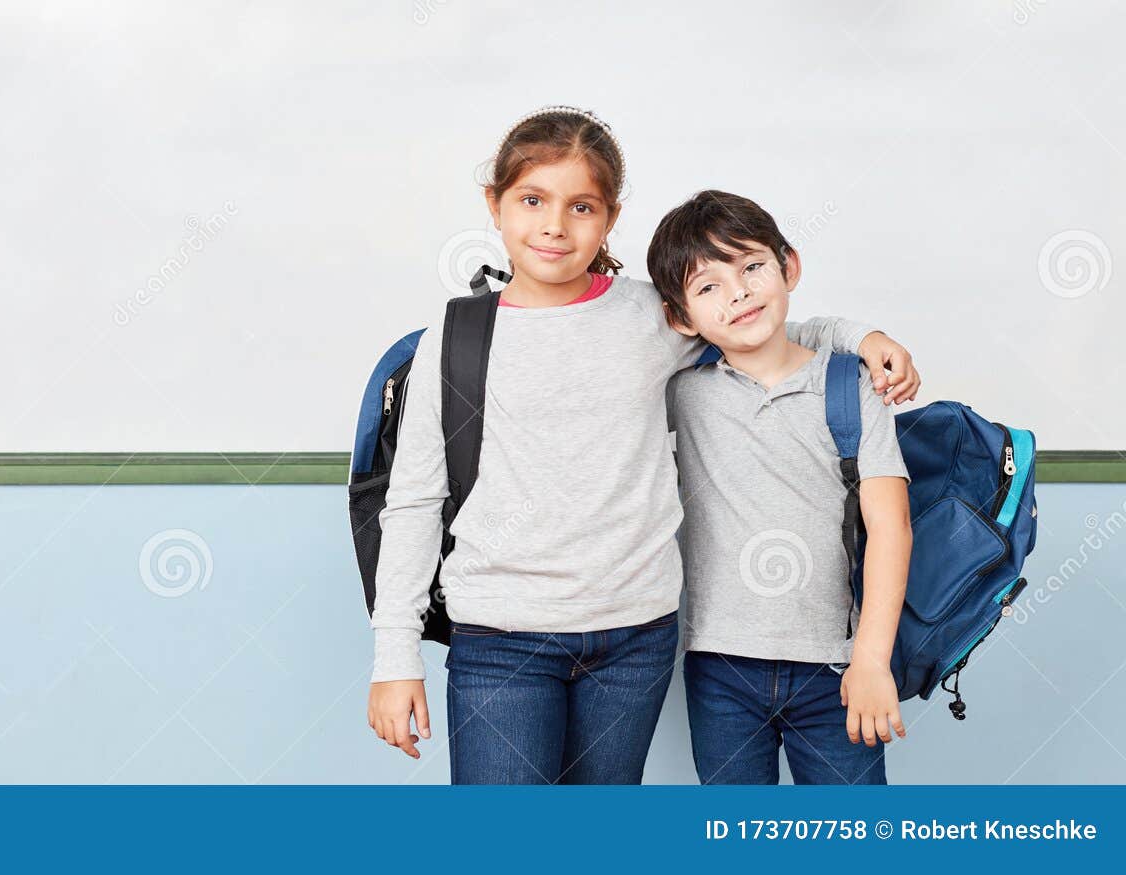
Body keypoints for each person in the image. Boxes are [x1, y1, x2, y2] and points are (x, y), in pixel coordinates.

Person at [366, 107, 920, 784]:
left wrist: (859, 336)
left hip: (634, 641)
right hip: (500, 639)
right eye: (532, 200)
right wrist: (394, 657)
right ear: (495, 203)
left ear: (610, 217)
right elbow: (415, 501)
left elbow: (756, 324)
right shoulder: (452, 341)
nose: (554, 225)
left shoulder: (648, 316)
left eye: (582, 206)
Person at [650, 189, 913, 784]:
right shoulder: (682, 391)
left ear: (788, 266)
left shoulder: (852, 386)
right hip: (719, 667)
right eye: (707, 286)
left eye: (751, 267)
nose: (738, 292)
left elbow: (891, 527)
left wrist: (871, 658)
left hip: (837, 667)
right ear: (680, 317)